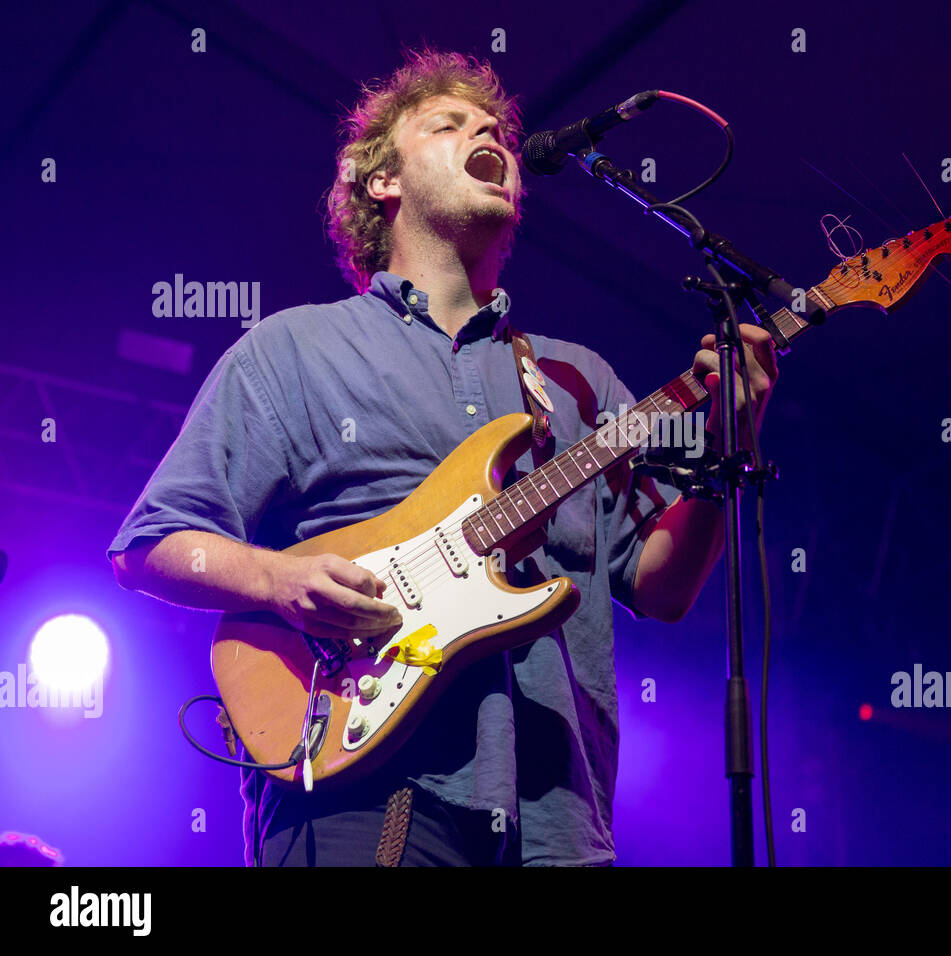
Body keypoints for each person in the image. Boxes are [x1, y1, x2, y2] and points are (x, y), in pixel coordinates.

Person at [108, 47, 778, 866]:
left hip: (561, 814)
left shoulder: (576, 381)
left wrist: (725, 446)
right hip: (364, 791)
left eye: (493, 124)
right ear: (380, 182)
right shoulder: (293, 350)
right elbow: (150, 547)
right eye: (449, 124)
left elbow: (661, 587)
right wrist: (280, 580)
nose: (489, 129)